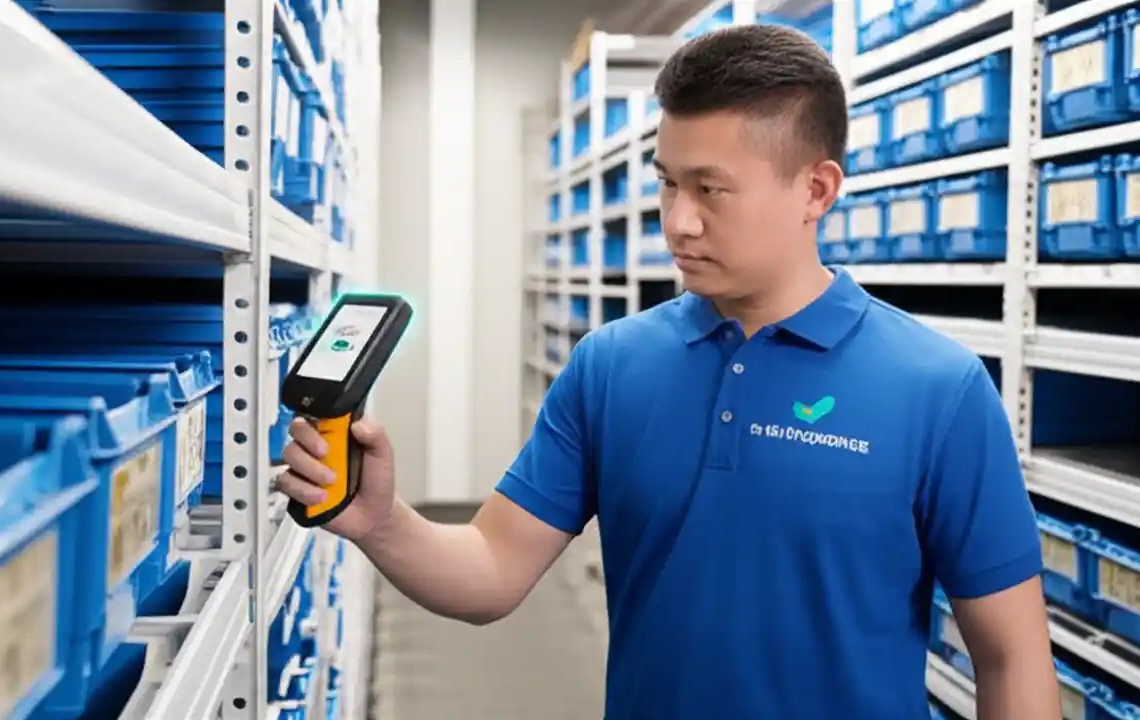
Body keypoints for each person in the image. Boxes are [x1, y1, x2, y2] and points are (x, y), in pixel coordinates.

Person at [276, 23, 1060, 720]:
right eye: (667, 182)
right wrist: (381, 523)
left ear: (815, 190)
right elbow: (491, 572)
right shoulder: (612, 366)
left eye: (711, 190)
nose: (678, 221)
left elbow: (1012, 659)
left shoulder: (939, 389)